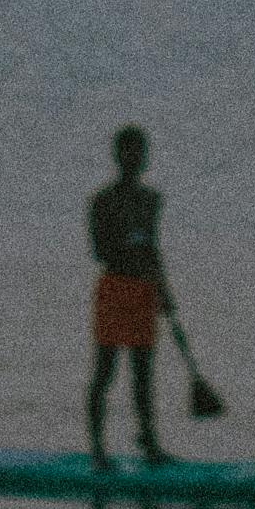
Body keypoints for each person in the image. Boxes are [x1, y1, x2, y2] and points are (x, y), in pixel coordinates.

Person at [85, 125, 172, 465]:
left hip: (144, 291)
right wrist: (130, 244)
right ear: (117, 156)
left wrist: (163, 291)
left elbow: (154, 250)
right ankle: (97, 450)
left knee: (143, 372)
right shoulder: (102, 201)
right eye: (128, 152)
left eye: (139, 152)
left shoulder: (151, 200)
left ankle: (149, 445)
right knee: (105, 369)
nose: (134, 159)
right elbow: (100, 252)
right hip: (114, 288)